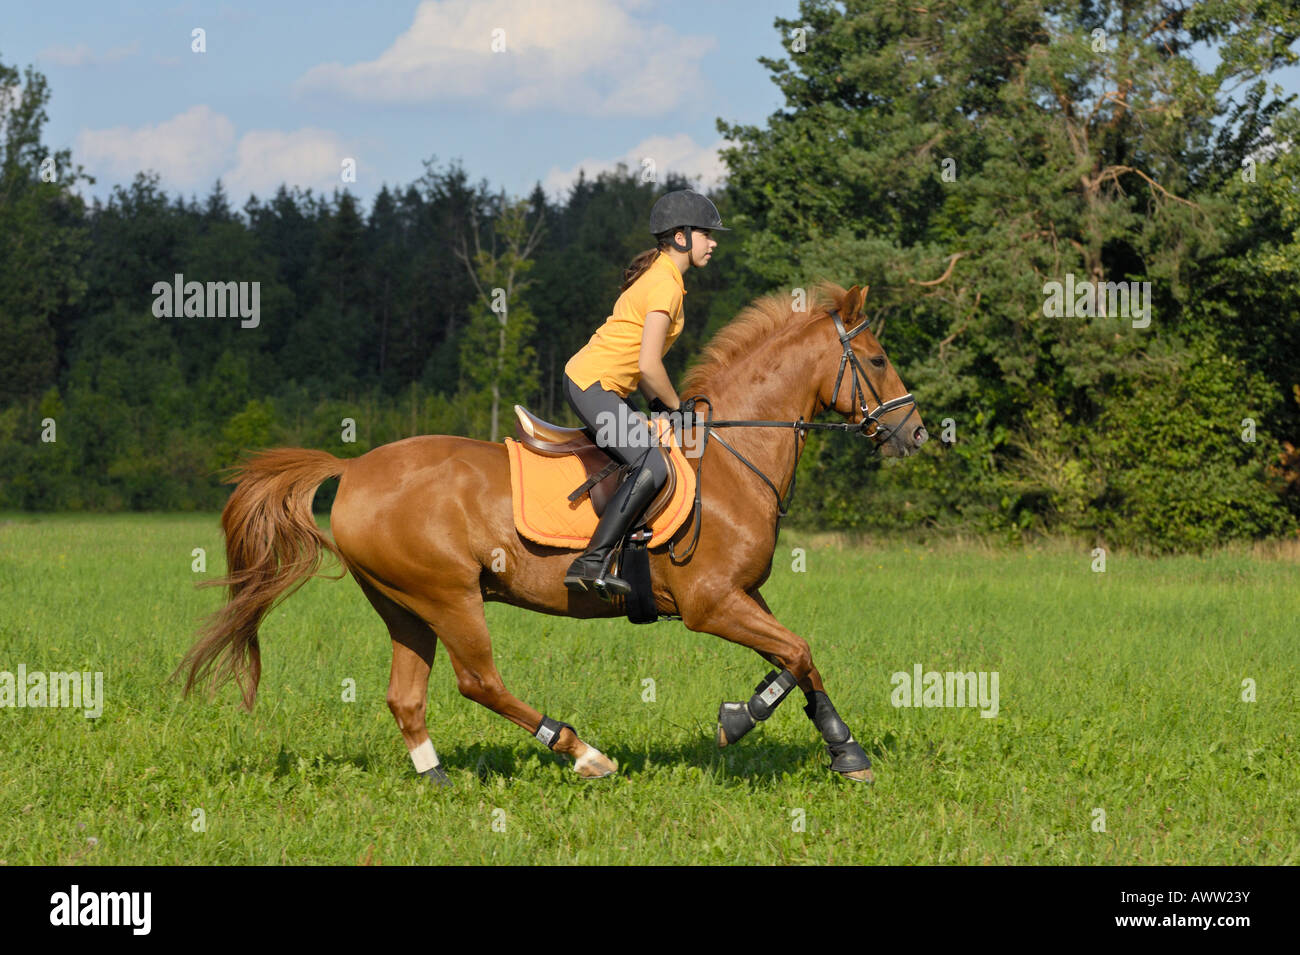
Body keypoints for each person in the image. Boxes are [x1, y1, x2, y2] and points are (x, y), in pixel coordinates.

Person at [561, 189, 727, 596]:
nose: (714, 242)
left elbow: (642, 363)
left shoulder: (666, 279)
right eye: (707, 234)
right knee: (652, 465)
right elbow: (650, 365)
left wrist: (659, 404)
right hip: (593, 384)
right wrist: (674, 405)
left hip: (608, 386)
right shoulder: (664, 285)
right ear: (682, 237)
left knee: (655, 450)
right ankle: (592, 560)